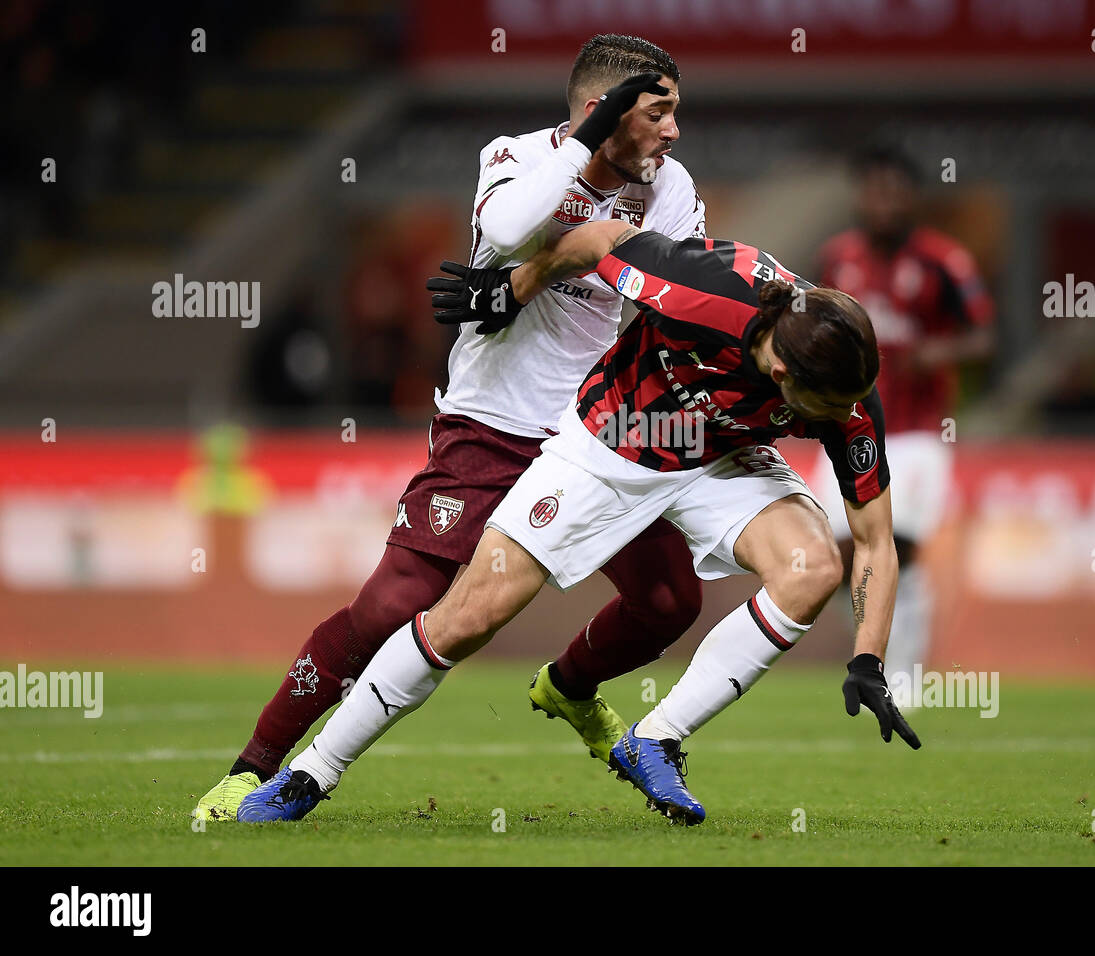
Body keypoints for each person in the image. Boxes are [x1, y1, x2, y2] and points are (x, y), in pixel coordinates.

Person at [239, 220, 920, 827]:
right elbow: (600, 239)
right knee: (471, 614)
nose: (841, 417)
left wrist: (868, 656)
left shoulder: (847, 392)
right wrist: (514, 287)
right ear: (779, 368)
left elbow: (873, 541)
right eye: (823, 406)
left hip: (719, 460)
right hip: (609, 439)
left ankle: (657, 738)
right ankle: (313, 772)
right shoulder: (699, 287)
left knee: (813, 568)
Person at [193, 35, 707, 821]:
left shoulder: (668, 184)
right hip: (492, 421)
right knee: (390, 605)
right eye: (658, 111)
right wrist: (586, 143)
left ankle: (570, 690)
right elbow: (505, 231)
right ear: (605, 110)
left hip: (600, 432)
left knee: (671, 602)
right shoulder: (514, 155)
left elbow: (673, 279)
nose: (674, 131)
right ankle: (251, 767)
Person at [811, 144, 994, 705]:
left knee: (899, 546)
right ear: (862, 196)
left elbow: (983, 335)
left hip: (916, 433)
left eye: (895, 190)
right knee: (836, 558)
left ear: (911, 196)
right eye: (874, 189)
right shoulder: (837, 258)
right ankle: (875, 656)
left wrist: (933, 353)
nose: (884, 201)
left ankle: (906, 676)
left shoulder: (944, 260)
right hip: (844, 424)